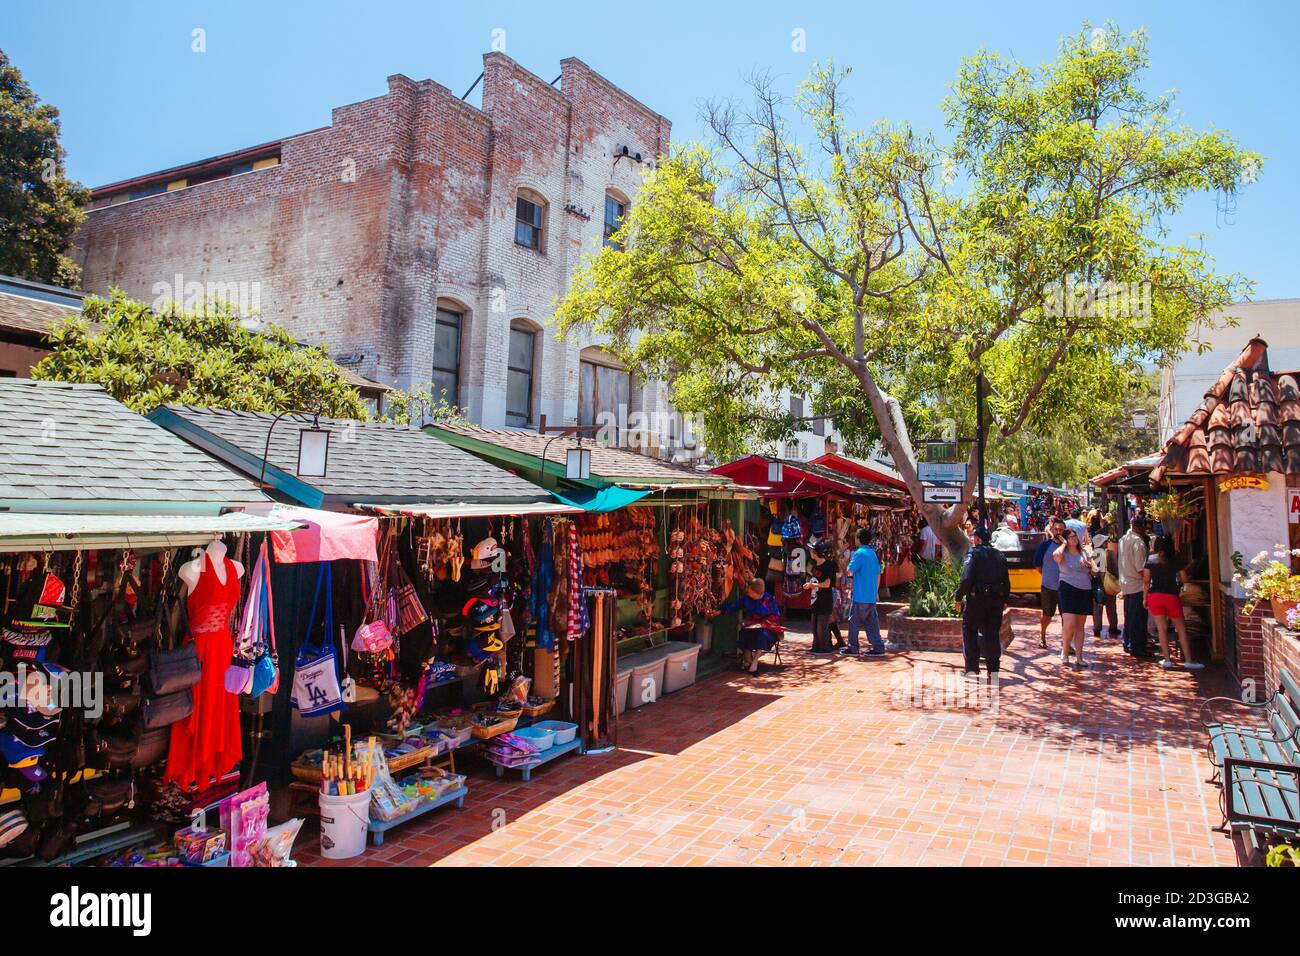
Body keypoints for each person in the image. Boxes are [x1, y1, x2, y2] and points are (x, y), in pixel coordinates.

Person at [954, 526, 1011, 680]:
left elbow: (966, 579)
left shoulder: (974, 554)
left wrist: (958, 597)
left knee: (970, 632)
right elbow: (1006, 580)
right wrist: (1005, 599)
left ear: (978, 539)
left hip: (977, 601)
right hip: (995, 602)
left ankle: (972, 669)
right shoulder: (999, 555)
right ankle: (993, 671)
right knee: (992, 634)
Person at [1143, 535, 1204, 671]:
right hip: (1171, 596)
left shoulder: (1151, 560)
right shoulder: (1176, 560)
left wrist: (1144, 597)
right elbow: (1184, 579)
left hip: (1155, 596)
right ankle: (1188, 660)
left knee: (1161, 629)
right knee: (1181, 628)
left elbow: (1146, 581)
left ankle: (1167, 659)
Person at [1053, 527, 1096, 670]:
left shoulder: (1084, 552)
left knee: (1080, 626)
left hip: (1084, 589)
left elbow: (1096, 571)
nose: (1073, 538)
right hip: (1067, 589)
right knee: (1069, 623)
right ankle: (1065, 651)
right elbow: (1056, 555)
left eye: (1074, 536)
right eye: (1070, 537)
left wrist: (1090, 566)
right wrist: (1064, 543)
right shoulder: (1063, 552)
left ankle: (1079, 657)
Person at [722, 577, 783, 674]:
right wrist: (721, 611)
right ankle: (748, 659)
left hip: (767, 628)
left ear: (755, 592)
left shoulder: (769, 599)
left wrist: (764, 623)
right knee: (744, 632)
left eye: (749, 590)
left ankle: (754, 662)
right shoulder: (747, 599)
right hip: (752, 626)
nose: (747, 591)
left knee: (762, 634)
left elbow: (776, 616)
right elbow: (734, 606)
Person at [842, 528, 886, 658]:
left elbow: (849, 571)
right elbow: (879, 573)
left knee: (854, 622)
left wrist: (844, 559)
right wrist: (876, 591)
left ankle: (853, 647)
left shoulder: (859, 553)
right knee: (871, 623)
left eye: (855, 537)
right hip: (871, 595)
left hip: (860, 595)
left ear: (858, 539)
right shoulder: (873, 554)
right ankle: (878, 647)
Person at [1118, 518, 1150, 656]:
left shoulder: (1123, 539)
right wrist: (1149, 579)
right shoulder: (1138, 543)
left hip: (1126, 584)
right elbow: (1140, 568)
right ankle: (1137, 648)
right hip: (1137, 585)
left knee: (1129, 616)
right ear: (1140, 528)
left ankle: (1128, 643)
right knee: (1137, 618)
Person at [1034, 516, 1066, 650]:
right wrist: (1047, 575)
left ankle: (1067, 642)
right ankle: (1042, 636)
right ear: (1052, 530)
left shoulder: (1068, 546)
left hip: (1065, 587)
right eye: (1056, 529)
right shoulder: (1045, 545)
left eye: (1061, 530)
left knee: (1067, 616)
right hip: (1048, 586)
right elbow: (1037, 565)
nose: (1058, 532)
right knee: (1047, 615)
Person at [804, 541, 837, 653]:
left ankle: (825, 647)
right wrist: (810, 584)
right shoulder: (815, 565)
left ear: (816, 552)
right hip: (815, 600)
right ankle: (816, 646)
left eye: (812, 550)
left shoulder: (829, 565)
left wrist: (813, 585)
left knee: (821, 626)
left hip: (824, 600)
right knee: (814, 625)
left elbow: (827, 584)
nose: (810, 552)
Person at [1090, 530, 1120, 640]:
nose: (1107, 542)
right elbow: (1116, 569)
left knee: (1097, 607)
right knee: (1111, 607)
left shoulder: (1092, 554)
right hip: (1109, 586)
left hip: (1097, 585)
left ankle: (1097, 628)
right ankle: (1113, 627)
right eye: (1105, 541)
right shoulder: (1110, 553)